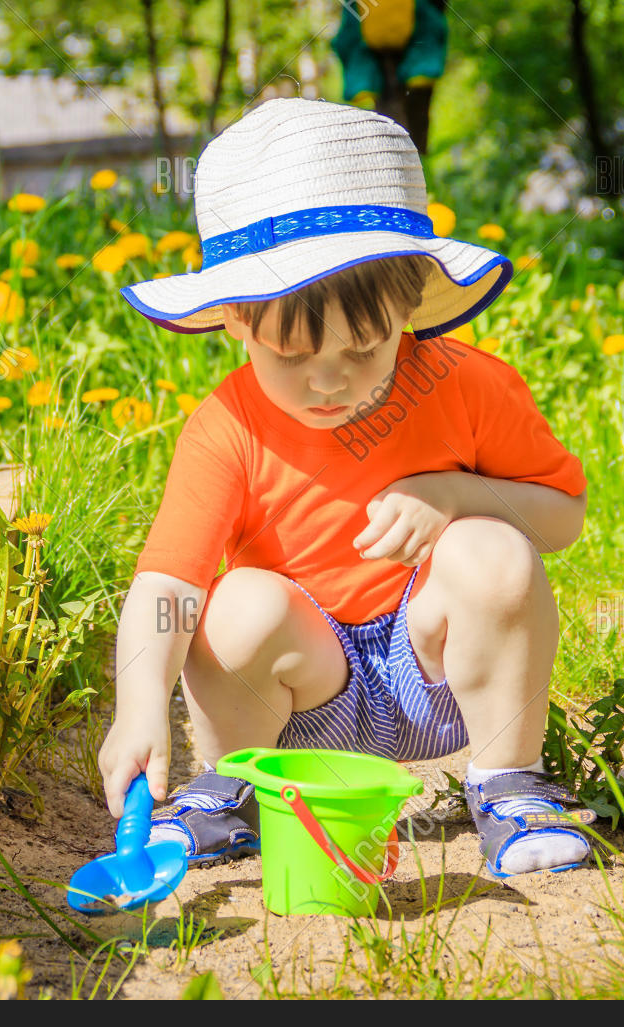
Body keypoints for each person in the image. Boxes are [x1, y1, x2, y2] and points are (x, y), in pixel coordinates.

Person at [104, 97, 593, 880]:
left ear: (408, 303)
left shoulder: (468, 386)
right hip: (302, 691)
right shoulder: (227, 427)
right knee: (236, 601)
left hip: (431, 671)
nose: (329, 383)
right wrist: (137, 705)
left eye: (364, 349)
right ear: (234, 319)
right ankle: (232, 791)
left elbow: (562, 517)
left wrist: (454, 496)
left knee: (492, 549)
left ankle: (509, 785)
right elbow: (168, 587)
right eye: (292, 355)